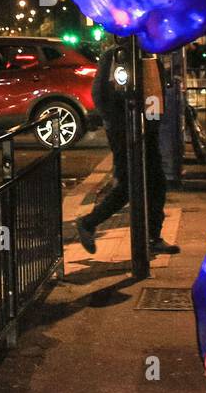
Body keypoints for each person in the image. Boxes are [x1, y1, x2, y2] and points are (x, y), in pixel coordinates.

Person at [73, 38, 179, 256]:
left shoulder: (148, 56)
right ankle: (89, 222)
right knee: (129, 184)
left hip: (146, 128)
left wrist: (154, 120)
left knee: (156, 183)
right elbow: (101, 94)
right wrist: (117, 125)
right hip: (125, 132)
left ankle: (152, 236)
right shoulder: (115, 56)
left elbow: (157, 91)